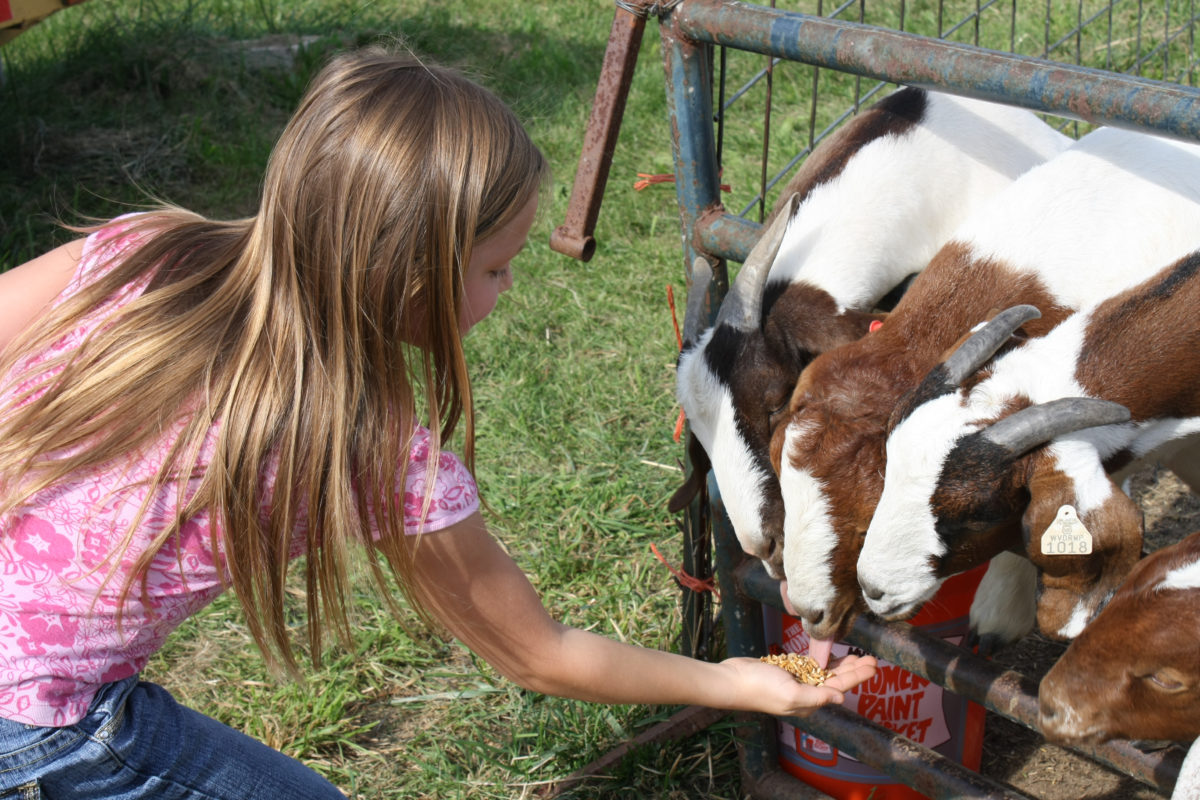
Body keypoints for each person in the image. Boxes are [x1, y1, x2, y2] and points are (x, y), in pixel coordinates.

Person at [0, 46, 876, 798]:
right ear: (410, 275)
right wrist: (738, 683)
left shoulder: (136, 251)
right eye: (496, 268)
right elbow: (541, 653)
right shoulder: (368, 446)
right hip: (44, 724)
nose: (507, 291)